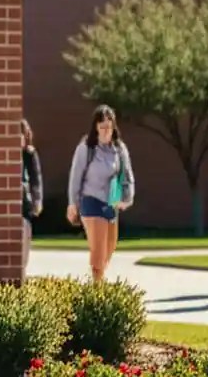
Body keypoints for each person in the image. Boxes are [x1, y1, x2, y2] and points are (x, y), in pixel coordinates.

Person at [66, 104, 135, 282]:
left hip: (112, 202)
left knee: (110, 246)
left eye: (109, 127)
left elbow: (127, 176)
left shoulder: (119, 149)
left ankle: (97, 281)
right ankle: (97, 289)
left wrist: (127, 198)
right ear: (95, 128)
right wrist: (73, 203)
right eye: (102, 127)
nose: (106, 131)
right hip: (91, 200)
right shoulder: (86, 148)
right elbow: (76, 176)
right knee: (98, 250)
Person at [19, 118, 44, 273]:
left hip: (24, 205)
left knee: (23, 247)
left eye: (21, 134)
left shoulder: (29, 154)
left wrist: (37, 200)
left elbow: (36, 178)